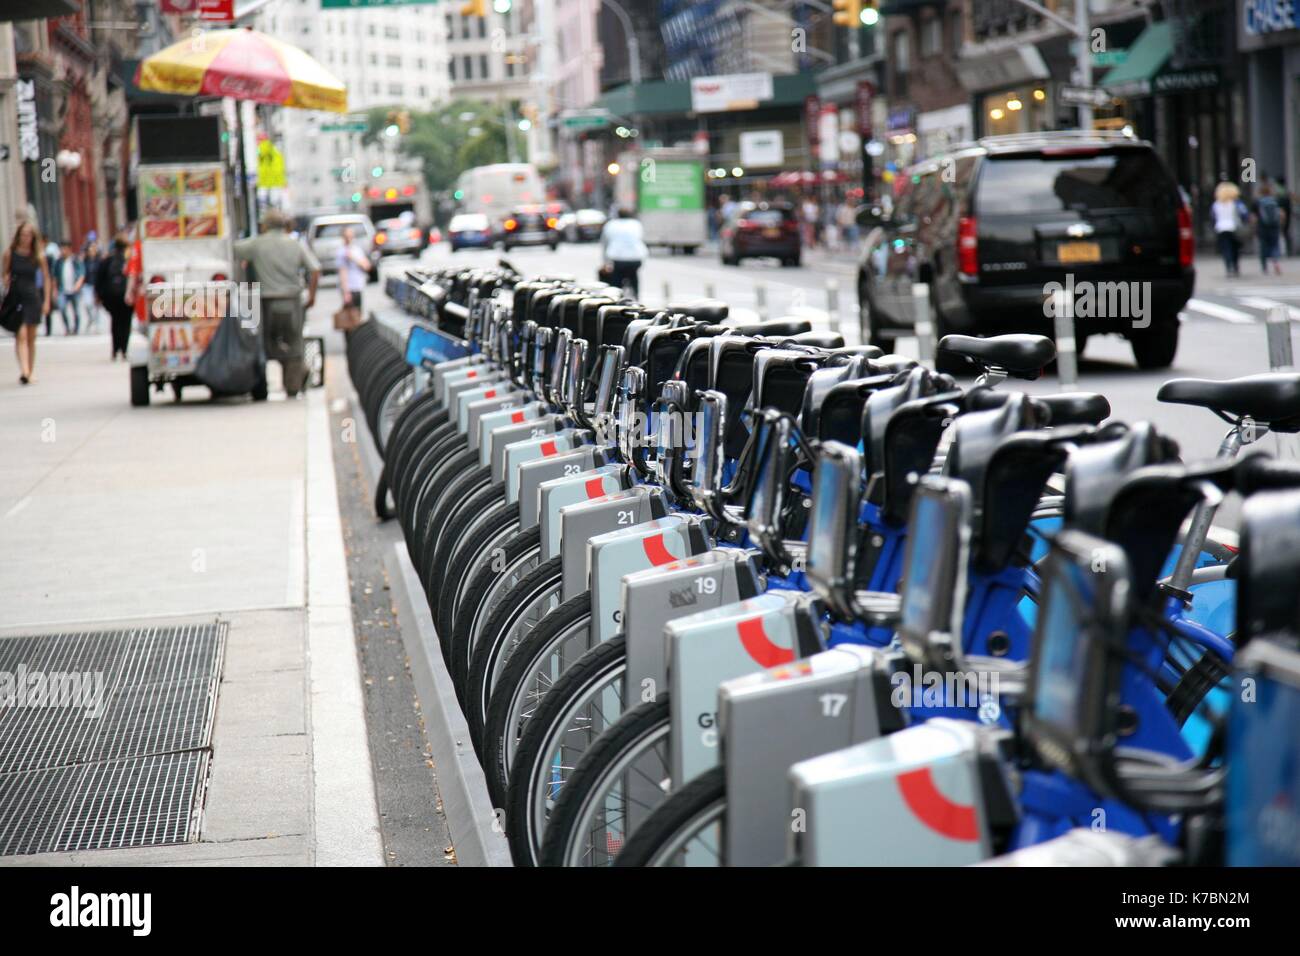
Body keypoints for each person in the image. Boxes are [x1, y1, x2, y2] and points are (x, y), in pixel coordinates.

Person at [234, 208, 321, 398]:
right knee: (294, 345)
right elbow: (315, 269)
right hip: (292, 301)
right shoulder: (296, 244)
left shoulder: (257, 244)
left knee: (264, 345)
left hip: (266, 303)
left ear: (265, 225)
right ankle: (293, 387)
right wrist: (312, 296)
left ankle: (261, 389)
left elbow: (234, 248)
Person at [2, 220, 52, 384]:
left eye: (29, 235)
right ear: (18, 236)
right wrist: (6, 280)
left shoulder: (38, 255)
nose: (26, 238)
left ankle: (30, 371)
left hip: (33, 297)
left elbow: (46, 277)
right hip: (16, 298)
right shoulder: (10, 253)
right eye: (23, 234)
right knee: (21, 334)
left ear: (33, 237)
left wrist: (46, 301)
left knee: (31, 337)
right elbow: (4, 274)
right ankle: (24, 371)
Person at [94, 231, 134, 361]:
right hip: (126, 296)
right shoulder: (129, 260)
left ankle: (115, 349)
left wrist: (99, 296)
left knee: (115, 322)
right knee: (126, 323)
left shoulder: (107, 260)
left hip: (111, 297)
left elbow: (99, 279)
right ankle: (124, 349)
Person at [599, 207, 648, 300]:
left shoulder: (611, 225)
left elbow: (605, 244)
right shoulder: (636, 224)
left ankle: (616, 298)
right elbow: (640, 239)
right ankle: (636, 296)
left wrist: (605, 262)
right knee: (633, 276)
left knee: (616, 280)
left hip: (618, 258)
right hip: (636, 258)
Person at [1211, 181, 1248, 278]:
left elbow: (1213, 217)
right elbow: (1244, 214)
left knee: (1226, 249)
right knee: (1235, 249)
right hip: (1233, 228)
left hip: (1221, 228)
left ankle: (1228, 267)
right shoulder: (1236, 203)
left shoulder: (1216, 204)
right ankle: (1235, 266)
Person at [336, 226, 371, 318]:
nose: (349, 239)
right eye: (346, 236)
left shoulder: (357, 250)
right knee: (349, 316)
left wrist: (353, 258)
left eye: (351, 236)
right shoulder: (341, 252)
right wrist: (346, 292)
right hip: (349, 287)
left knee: (358, 314)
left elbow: (367, 266)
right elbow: (342, 273)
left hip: (358, 286)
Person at [56, 240, 84, 335]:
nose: (62, 251)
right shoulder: (58, 262)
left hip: (74, 289)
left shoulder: (75, 260)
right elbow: (54, 277)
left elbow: (81, 274)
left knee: (76, 311)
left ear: (69, 249)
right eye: (61, 249)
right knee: (62, 308)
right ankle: (67, 328)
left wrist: (78, 284)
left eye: (64, 248)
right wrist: (54, 290)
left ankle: (76, 329)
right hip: (62, 290)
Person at [1256, 180, 1284, 275]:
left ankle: (1264, 267)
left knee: (1263, 246)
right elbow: (1281, 214)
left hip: (1262, 228)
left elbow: (1254, 217)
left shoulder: (1258, 202)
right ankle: (1275, 261)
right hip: (1274, 227)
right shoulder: (1275, 201)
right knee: (1274, 245)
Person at [81, 239, 103, 333]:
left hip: (97, 285)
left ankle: (96, 325)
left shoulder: (99, 261)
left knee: (96, 306)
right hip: (87, 285)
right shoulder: (85, 260)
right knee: (87, 304)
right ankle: (91, 319)